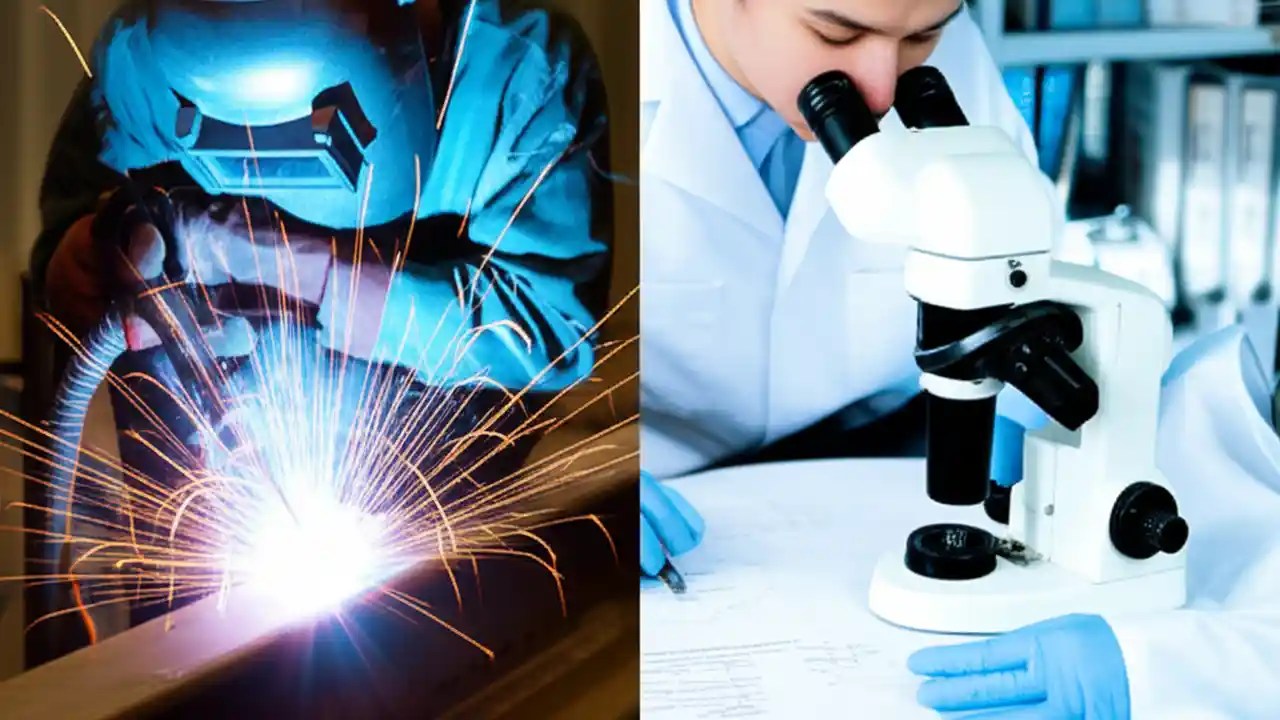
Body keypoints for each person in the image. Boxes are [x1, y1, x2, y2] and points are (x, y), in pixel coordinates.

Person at [33, 0, 611, 649]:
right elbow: (73, 216)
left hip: (425, 553)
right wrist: (77, 258)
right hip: (198, 535)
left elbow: (552, 333)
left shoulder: (516, 76)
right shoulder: (138, 58)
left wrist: (321, 276)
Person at [639, 1, 1043, 574]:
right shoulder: (541, 76)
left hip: (870, 486)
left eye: (923, 37)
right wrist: (534, 475)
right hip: (658, 499)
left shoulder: (935, 52)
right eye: (835, 32)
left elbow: (1014, 283)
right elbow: (476, 367)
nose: (880, 91)